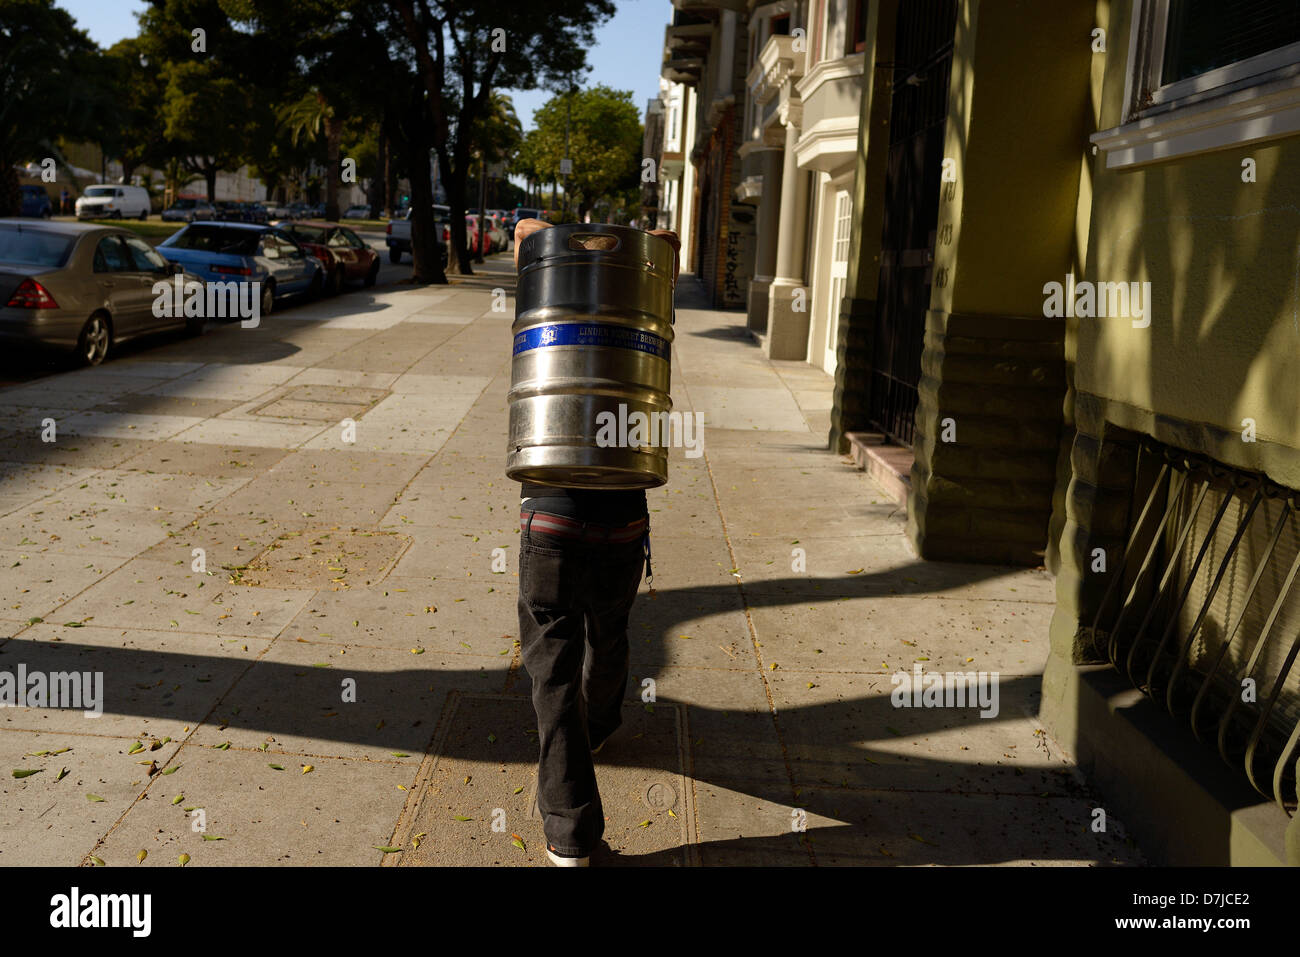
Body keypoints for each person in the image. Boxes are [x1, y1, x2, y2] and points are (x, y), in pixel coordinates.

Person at [512, 218, 680, 866]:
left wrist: (559, 235)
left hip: (549, 513)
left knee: (552, 669)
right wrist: (650, 244)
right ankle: (602, 726)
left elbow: (528, 228)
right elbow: (667, 248)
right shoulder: (641, 306)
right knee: (610, 628)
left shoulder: (543, 283)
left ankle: (569, 837)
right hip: (623, 513)